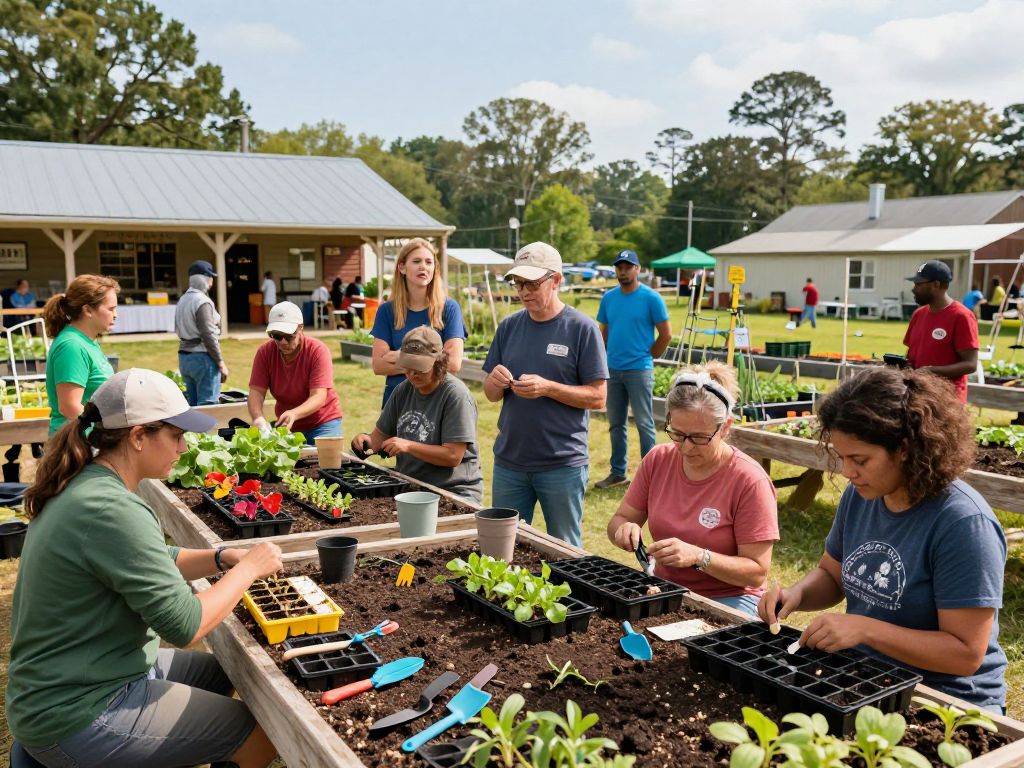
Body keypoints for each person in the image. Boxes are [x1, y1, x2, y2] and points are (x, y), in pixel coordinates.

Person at [6, 368, 282, 767]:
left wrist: (222, 558)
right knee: (259, 731)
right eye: (175, 435)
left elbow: (155, 560)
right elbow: (186, 625)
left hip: (82, 677)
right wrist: (249, 570)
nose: (184, 447)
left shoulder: (88, 484)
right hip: (77, 711)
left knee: (231, 672)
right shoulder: (113, 509)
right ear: (137, 437)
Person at [759, 367, 1007, 712]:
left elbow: (965, 653)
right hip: (870, 678)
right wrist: (795, 595)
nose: (847, 471)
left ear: (905, 448)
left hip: (946, 701)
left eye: (859, 459)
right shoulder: (862, 495)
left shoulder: (963, 523)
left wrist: (865, 629)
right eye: (842, 457)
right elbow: (833, 575)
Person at [607, 363, 778, 616]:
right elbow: (619, 521)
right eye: (677, 434)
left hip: (730, 597)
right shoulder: (658, 459)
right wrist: (624, 530)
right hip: (666, 589)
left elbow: (756, 572)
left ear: (726, 426)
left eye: (699, 437)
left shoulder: (749, 481)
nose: (686, 448)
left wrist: (699, 557)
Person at [483, 242, 608, 547]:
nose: (524, 291)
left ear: (556, 280)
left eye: (533, 283)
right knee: (504, 547)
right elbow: (490, 394)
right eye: (519, 283)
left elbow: (598, 397)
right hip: (510, 461)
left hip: (561, 464)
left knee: (563, 549)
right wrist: (495, 382)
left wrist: (548, 388)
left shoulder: (582, 328)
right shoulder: (509, 327)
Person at [351, 327, 483, 502]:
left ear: (439, 362)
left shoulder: (455, 395)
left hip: (453, 491)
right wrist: (364, 442)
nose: (412, 374)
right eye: (408, 367)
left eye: (419, 368)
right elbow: (378, 438)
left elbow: (453, 456)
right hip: (411, 484)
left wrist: (408, 446)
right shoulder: (403, 390)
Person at [594, 249, 671, 489]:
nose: (623, 271)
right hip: (613, 370)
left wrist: (650, 356)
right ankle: (618, 473)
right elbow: (603, 333)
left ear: (638, 269)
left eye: (628, 267)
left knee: (644, 423)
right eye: (620, 267)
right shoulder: (609, 298)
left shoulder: (651, 298)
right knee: (616, 424)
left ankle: (650, 476)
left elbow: (666, 334)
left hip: (639, 370)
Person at [371, 239, 465, 405]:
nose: (423, 266)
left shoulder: (449, 308)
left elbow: (453, 363)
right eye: (416, 261)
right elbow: (379, 365)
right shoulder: (386, 311)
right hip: (397, 399)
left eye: (429, 262)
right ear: (402, 267)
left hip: (437, 399)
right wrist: (432, 359)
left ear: (434, 268)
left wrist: (400, 356)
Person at [248, 301, 343, 443]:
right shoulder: (265, 352)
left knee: (327, 464)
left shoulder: (317, 351)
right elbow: (256, 392)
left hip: (323, 423)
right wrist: (258, 418)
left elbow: (318, 396)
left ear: (301, 328)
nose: (283, 342)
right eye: (277, 336)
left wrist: (294, 413)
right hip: (287, 426)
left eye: (289, 336)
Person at [42, 274, 120, 436]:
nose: (116, 314)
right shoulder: (72, 346)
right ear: (88, 310)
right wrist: (105, 438)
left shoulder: (87, 341)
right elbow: (69, 407)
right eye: (111, 309)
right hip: (75, 446)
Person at [903, 260, 978, 403]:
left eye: (919, 284)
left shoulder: (962, 316)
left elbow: (970, 364)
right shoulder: (918, 314)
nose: (914, 289)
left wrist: (931, 371)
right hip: (918, 397)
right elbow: (912, 356)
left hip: (947, 403)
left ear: (935, 285)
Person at [175, 260, 228, 406]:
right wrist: (220, 362)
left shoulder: (182, 300)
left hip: (184, 357)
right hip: (202, 358)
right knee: (208, 408)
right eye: (210, 278)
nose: (211, 283)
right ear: (205, 279)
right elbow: (208, 335)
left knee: (192, 406)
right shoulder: (202, 301)